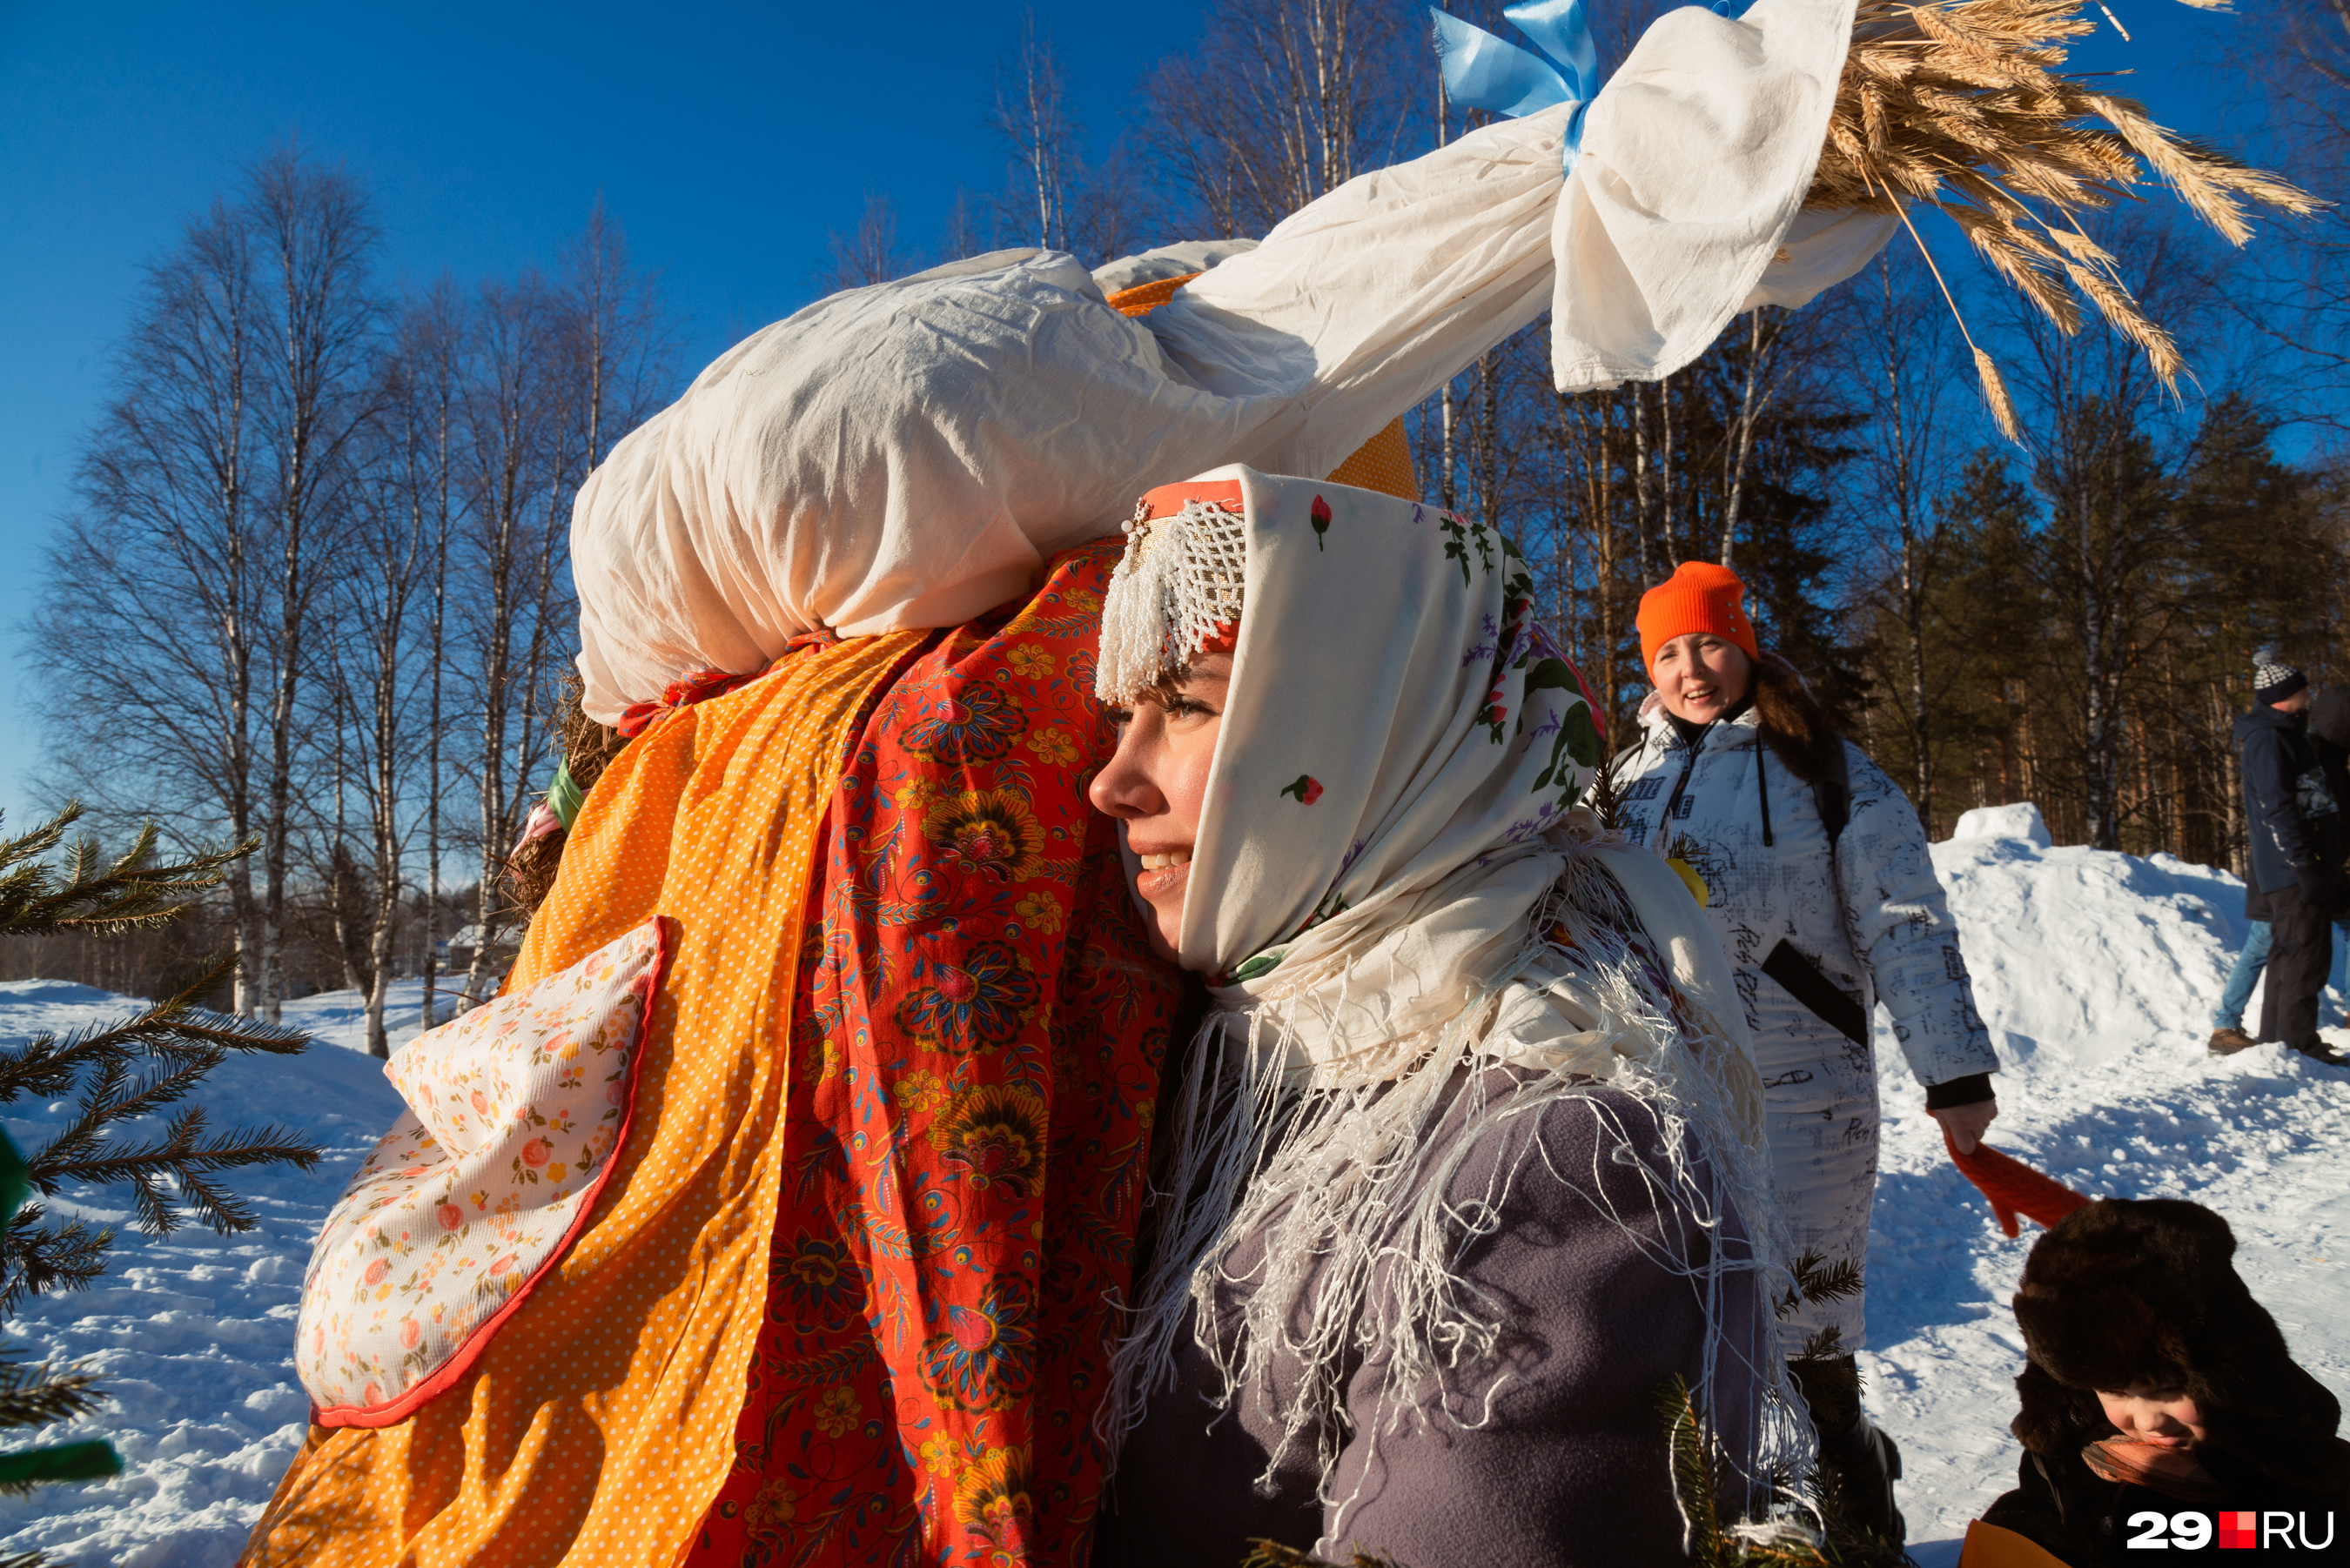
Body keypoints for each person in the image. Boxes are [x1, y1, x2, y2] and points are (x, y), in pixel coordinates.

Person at [1084, 470, 1796, 1567]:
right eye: (1117, 714)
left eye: (1186, 704)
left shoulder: (1558, 1162)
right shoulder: (1216, 1051)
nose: (1112, 780)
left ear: (1379, 723)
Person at [1611, 560, 2005, 1544]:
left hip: (1804, 1093)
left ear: (1743, 645)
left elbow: (1906, 919)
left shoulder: (1824, 769)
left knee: (1805, 1332)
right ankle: (1732, 1536)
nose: (1691, 668)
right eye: (1667, 651)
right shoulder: (1626, 782)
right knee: (1679, 1332)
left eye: (1708, 643)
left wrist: (1952, 1072)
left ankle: (1863, 1525)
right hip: (1662, 1083)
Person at [1972, 1199, 2350, 1565]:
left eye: (2168, 1390)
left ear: (2231, 1377)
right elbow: (2039, 1516)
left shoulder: (2295, 1480)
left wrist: (2190, 1526)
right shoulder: (2076, 1445)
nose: (2149, 1420)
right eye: (2116, 1392)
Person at [2232, 648, 2350, 1067]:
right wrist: (2306, 864)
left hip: (2293, 869)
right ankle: (2300, 1043)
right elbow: (2278, 808)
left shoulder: (2282, 736)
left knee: (2289, 955)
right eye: (2302, 690)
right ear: (2284, 695)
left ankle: (2276, 1043)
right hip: (2294, 870)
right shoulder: (2270, 740)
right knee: (2306, 957)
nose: (2308, 696)